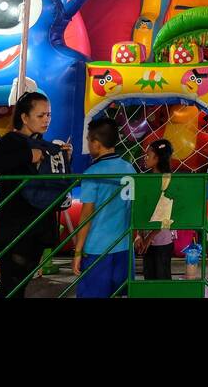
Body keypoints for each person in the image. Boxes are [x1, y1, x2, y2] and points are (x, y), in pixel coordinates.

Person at [0, 92, 72, 298]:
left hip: (38, 225)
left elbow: (57, 184)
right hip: (14, 226)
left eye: (48, 115)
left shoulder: (45, 145)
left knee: (20, 284)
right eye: (41, 116)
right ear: (24, 117)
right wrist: (28, 155)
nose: (46, 120)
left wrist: (63, 159)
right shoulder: (12, 141)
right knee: (11, 284)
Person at [73, 117, 135, 298]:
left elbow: (86, 214)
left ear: (96, 143)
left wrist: (78, 250)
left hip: (97, 249)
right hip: (124, 247)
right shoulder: (129, 169)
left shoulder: (92, 173)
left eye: (88, 140)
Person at [135, 139, 176, 280]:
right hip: (146, 240)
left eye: (148, 155)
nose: (145, 158)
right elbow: (140, 209)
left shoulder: (169, 181)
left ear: (157, 158)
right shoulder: (144, 180)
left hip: (162, 242)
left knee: (162, 282)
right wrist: (139, 235)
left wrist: (150, 237)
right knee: (149, 280)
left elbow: (167, 215)